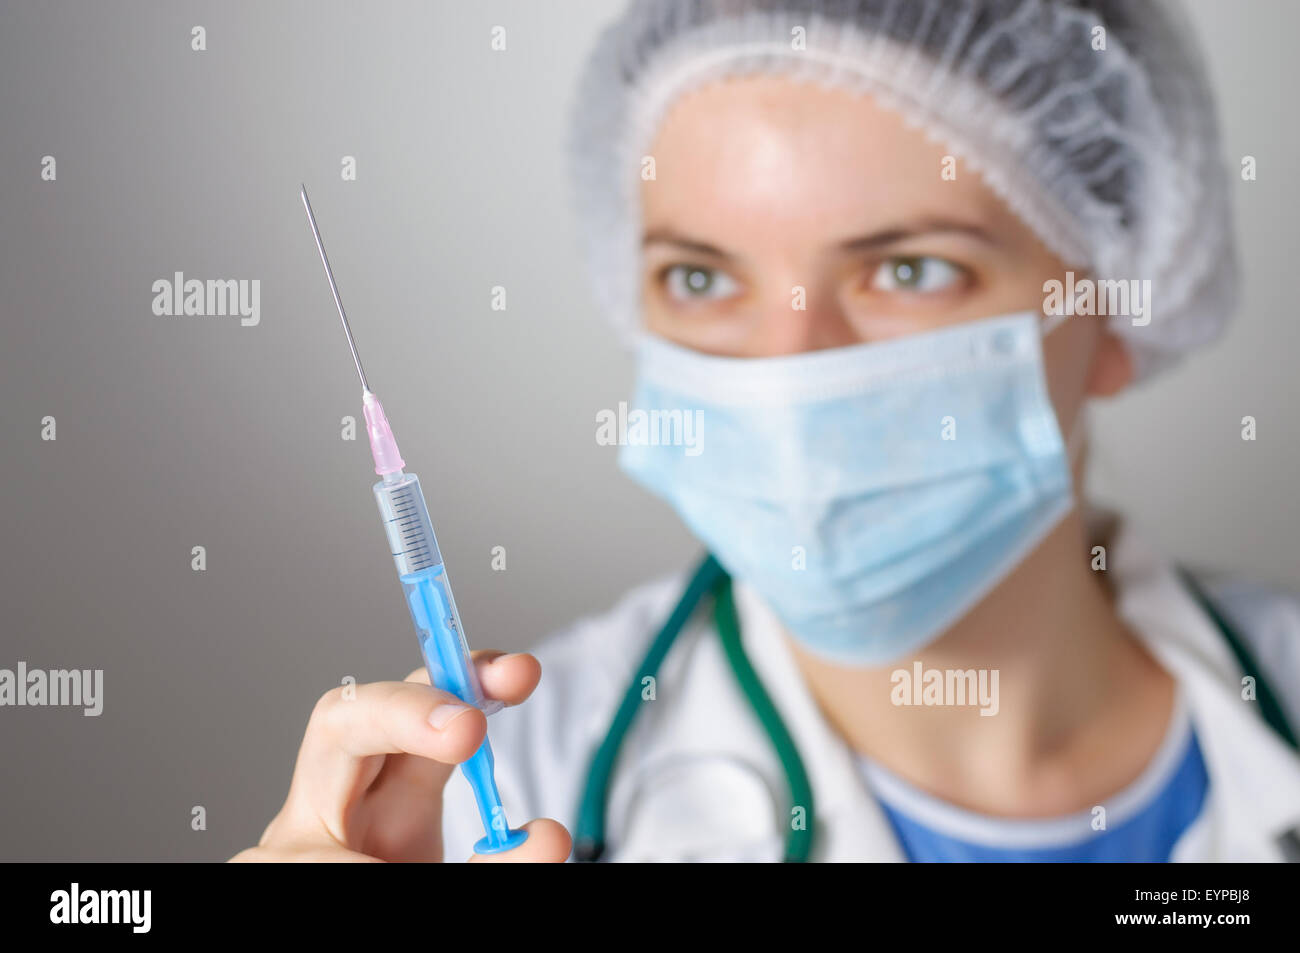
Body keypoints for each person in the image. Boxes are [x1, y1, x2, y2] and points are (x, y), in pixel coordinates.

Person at [234, 0, 1300, 863]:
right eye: (700, 278)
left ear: (1118, 306)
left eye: (911, 269)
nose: (789, 372)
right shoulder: (488, 794)